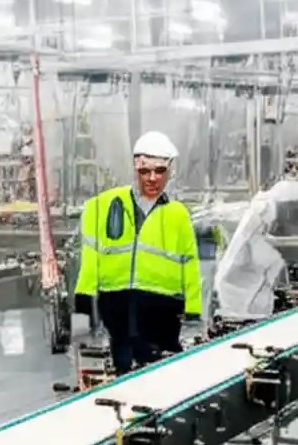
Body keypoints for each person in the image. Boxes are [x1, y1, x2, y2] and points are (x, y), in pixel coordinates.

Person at [73, 131, 203, 375]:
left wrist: (194, 316)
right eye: (145, 170)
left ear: (170, 170)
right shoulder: (100, 208)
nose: (152, 178)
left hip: (163, 310)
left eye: (160, 170)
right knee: (123, 376)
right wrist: (81, 321)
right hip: (117, 307)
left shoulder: (178, 215)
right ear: (135, 166)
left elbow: (190, 266)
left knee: (164, 376)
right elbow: (88, 265)